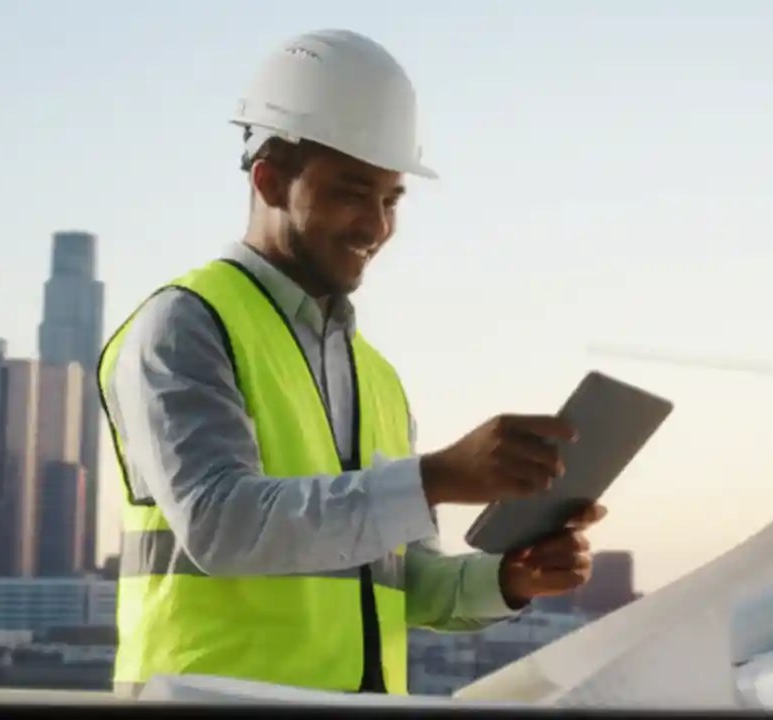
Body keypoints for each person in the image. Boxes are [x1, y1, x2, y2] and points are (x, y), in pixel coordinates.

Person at [97, 28, 608, 698]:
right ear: (271, 180)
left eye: (391, 199)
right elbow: (221, 525)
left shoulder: (377, 378)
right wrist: (435, 479)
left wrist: (509, 579)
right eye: (352, 191)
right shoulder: (185, 324)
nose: (377, 226)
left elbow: (400, 586)